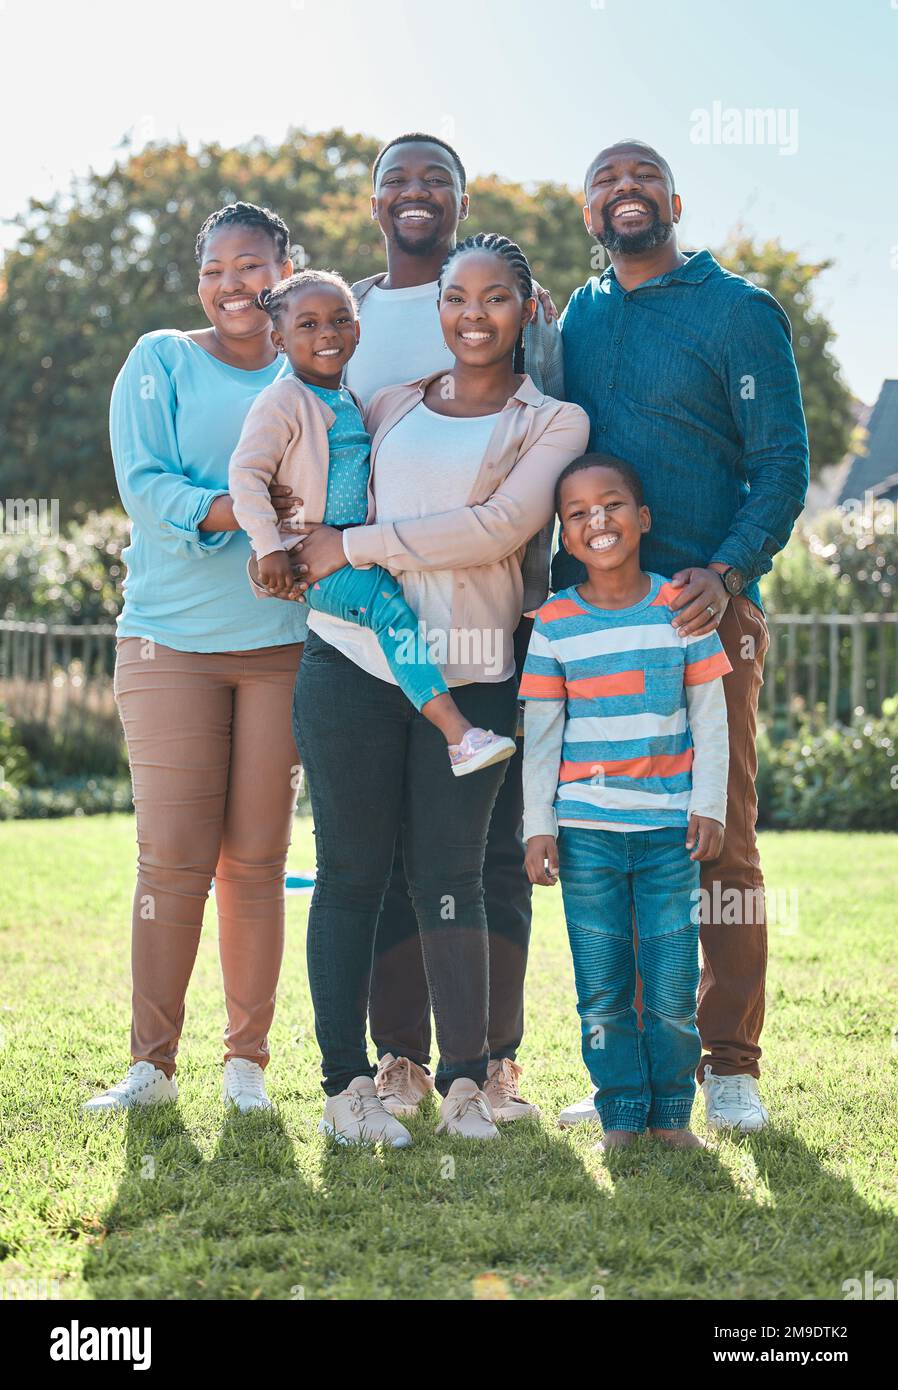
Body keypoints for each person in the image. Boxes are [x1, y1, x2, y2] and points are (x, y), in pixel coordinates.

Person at [287, 234, 588, 1145]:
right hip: (351, 662)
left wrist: (358, 547)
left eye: (495, 298)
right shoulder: (387, 403)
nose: (471, 315)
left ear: (525, 309)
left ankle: (466, 1082)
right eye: (457, 298)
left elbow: (499, 529)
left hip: (475, 671)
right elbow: (323, 497)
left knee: (453, 875)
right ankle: (352, 1085)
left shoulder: (554, 422)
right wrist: (298, 543)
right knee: (350, 874)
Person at [554, 140, 809, 1132]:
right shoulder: (582, 313)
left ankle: (729, 1065)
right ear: (588, 212)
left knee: (718, 841)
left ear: (671, 199)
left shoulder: (738, 311)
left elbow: (781, 462)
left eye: (639, 176)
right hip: (602, 619)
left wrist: (729, 570)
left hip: (706, 611)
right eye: (603, 181)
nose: (623, 192)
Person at [344, 133, 564, 1121]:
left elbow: (541, 454)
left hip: (499, 625)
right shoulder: (347, 315)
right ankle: (402, 1058)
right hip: (376, 639)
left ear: (464, 201)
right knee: (393, 852)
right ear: (374, 201)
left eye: (436, 178)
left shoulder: (528, 319)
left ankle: (497, 1057)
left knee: (486, 855)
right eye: (398, 178)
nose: (416, 193)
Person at [84, 202, 307, 1116]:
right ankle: (152, 1068)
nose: (232, 286)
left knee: (256, 861)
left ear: (285, 271)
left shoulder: (310, 365)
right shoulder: (159, 361)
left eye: (251, 267)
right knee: (171, 858)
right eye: (215, 270)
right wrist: (246, 513)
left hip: (282, 646)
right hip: (169, 641)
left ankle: (244, 1065)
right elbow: (145, 486)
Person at [229, 269, 515, 776]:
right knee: (389, 611)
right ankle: (457, 733)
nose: (327, 334)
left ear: (359, 332)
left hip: (349, 549)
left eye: (341, 321)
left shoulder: (353, 402)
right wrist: (269, 547)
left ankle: (443, 722)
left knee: (394, 610)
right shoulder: (283, 400)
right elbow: (246, 475)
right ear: (278, 339)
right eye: (309, 325)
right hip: (307, 558)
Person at [523, 454, 731, 1150]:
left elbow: (710, 716)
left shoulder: (681, 609)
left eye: (611, 505)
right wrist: (538, 827)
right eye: (577, 514)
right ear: (564, 535)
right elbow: (544, 736)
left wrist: (710, 806)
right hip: (587, 836)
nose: (597, 521)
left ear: (642, 520)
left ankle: (671, 1117)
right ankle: (620, 1115)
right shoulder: (553, 624)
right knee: (603, 989)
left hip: (671, 832)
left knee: (672, 989)